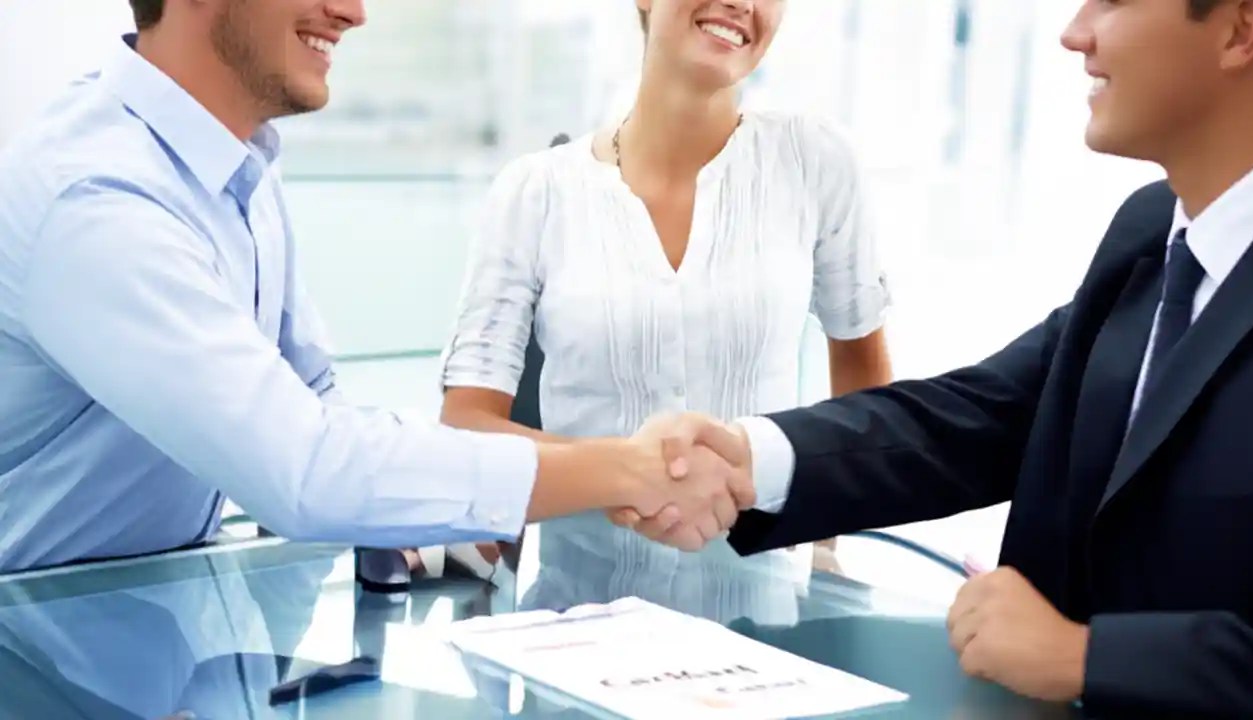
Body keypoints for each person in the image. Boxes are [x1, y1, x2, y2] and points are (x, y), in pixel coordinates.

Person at [621, 0, 1253, 715]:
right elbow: (983, 417)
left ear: (1242, 28)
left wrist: (1085, 658)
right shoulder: (1150, 233)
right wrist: (750, 457)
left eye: (1112, 1)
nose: (1075, 32)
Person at [0, 0, 746, 574]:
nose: (354, 12)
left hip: (141, 635)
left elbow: (312, 395)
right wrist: (626, 468)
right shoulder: (97, 198)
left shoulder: (236, 164)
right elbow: (304, 468)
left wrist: (424, 520)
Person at [437, 0, 892, 623]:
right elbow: (466, 424)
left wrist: (828, 547)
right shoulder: (536, 191)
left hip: (761, 634)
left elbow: (867, 393)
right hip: (573, 629)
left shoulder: (814, 161)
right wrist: (632, 473)